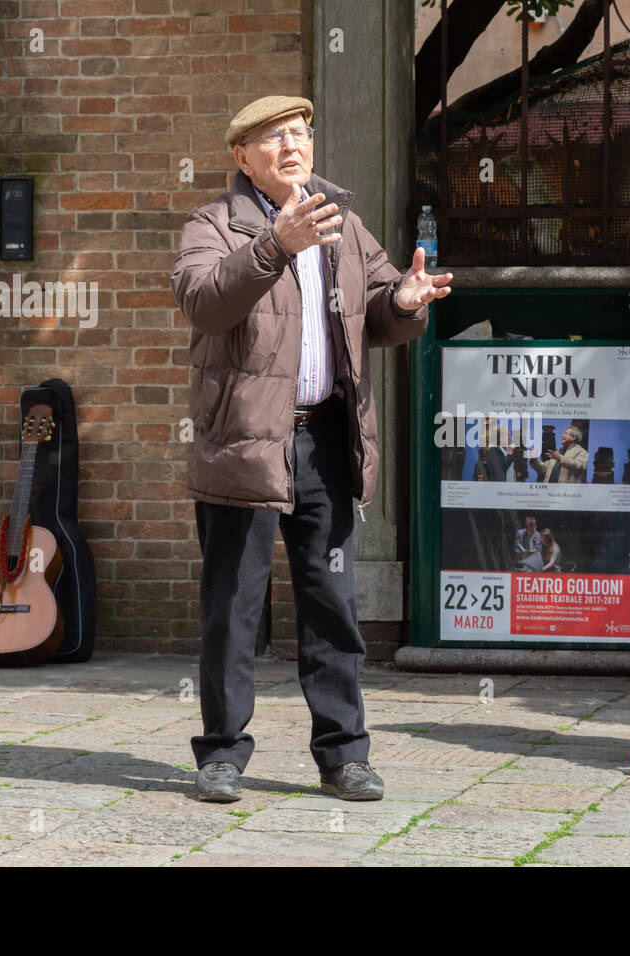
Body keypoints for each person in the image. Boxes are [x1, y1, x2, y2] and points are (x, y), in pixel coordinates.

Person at [171, 95, 453, 803]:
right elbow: (204, 302)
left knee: (332, 602)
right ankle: (222, 754)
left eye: (300, 134)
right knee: (233, 605)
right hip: (243, 442)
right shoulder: (215, 224)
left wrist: (407, 301)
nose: (292, 146)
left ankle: (343, 755)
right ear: (243, 158)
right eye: (273, 138)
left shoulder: (345, 225)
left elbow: (378, 312)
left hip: (325, 439)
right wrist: (276, 246)